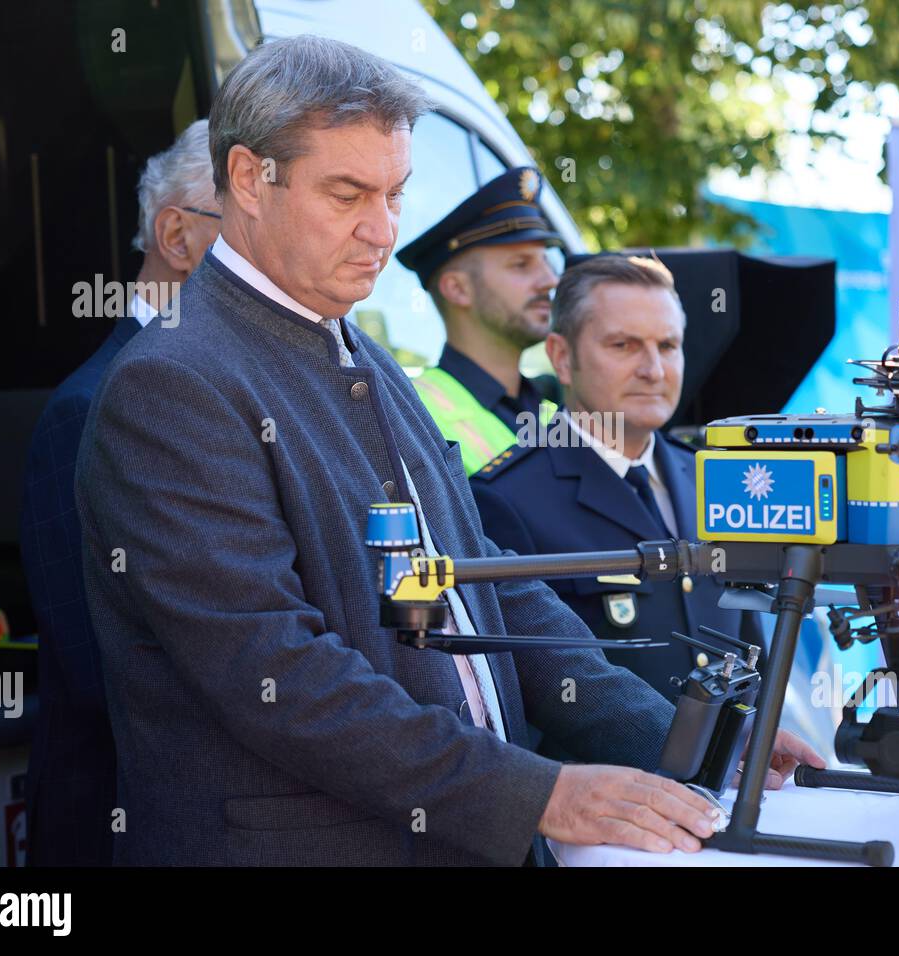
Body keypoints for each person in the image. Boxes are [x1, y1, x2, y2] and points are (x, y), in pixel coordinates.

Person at [75, 36, 821, 867]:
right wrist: (539, 793)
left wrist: (692, 742)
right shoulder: (173, 383)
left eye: (393, 194)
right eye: (348, 193)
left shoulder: (361, 351)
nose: (382, 230)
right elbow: (275, 673)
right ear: (249, 179)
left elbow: (484, 580)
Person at [19, 119, 220, 866]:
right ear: (177, 236)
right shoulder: (88, 409)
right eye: (252, 234)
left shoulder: (222, 389)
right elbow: (104, 672)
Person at [471, 255, 759, 698]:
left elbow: (751, 649)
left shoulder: (714, 478)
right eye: (623, 345)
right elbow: (526, 693)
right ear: (562, 358)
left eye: (667, 346)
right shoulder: (506, 499)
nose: (653, 370)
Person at [397, 167, 561, 474]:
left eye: (547, 262)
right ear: (458, 289)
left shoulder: (557, 416)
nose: (550, 280)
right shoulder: (411, 415)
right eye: (521, 265)